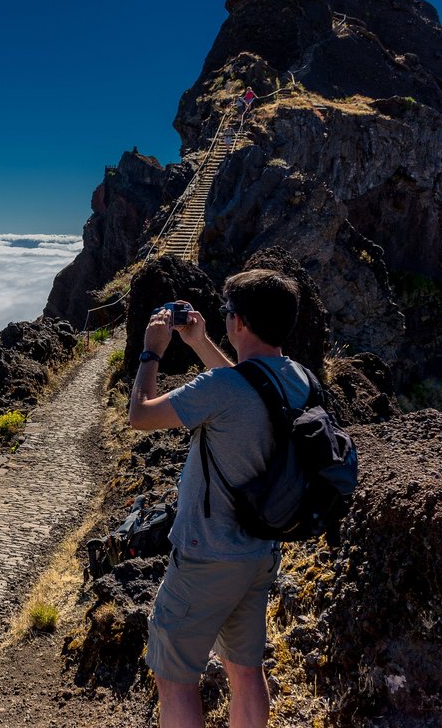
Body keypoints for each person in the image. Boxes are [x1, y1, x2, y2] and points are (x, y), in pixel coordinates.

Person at [128, 270, 308, 728]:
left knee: (175, 678)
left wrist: (152, 350)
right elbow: (251, 388)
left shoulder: (220, 391)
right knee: (246, 670)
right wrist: (200, 342)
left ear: (241, 323)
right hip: (260, 551)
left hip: (207, 555)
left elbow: (140, 417)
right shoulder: (298, 379)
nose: (226, 319)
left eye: (229, 312)